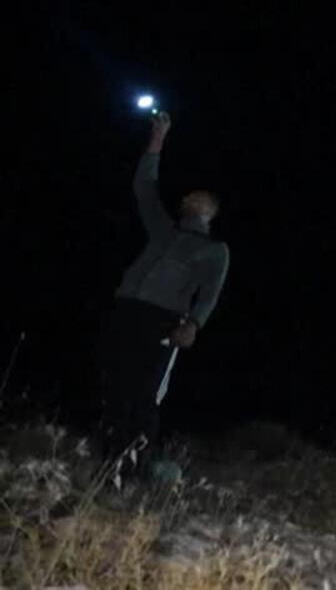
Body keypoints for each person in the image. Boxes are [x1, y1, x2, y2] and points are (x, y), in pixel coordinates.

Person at [97, 111, 230, 469]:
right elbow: (144, 186)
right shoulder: (162, 229)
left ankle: (137, 467)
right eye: (189, 197)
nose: (191, 199)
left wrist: (194, 324)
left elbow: (211, 291)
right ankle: (109, 464)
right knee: (115, 386)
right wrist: (158, 137)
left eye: (200, 198)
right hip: (127, 310)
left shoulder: (215, 250)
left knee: (145, 394)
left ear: (212, 212)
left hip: (164, 320)